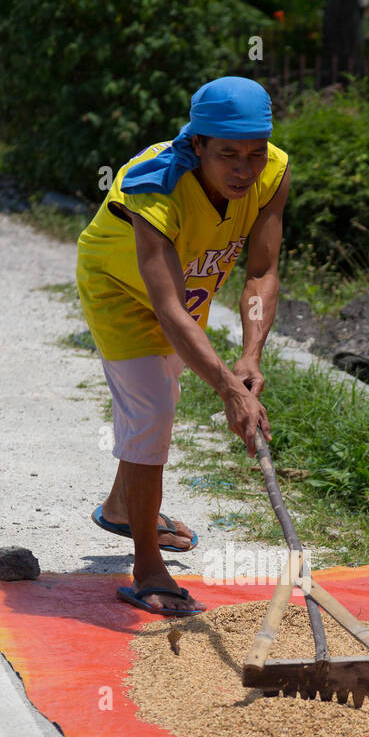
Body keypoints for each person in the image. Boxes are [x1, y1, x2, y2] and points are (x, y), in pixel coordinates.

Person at [76, 75, 290, 616]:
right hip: (121, 290)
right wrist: (229, 391)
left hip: (187, 285)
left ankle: (124, 507)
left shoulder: (273, 174)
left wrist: (249, 357)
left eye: (254, 154)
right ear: (197, 145)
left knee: (160, 396)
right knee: (152, 410)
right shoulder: (153, 185)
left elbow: (262, 271)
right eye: (227, 156)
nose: (244, 170)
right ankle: (147, 564)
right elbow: (168, 310)